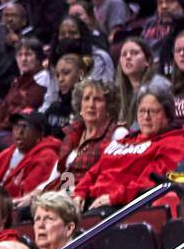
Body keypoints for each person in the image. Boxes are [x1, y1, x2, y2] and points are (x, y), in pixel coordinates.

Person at [75, 78, 184, 211]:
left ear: (168, 116)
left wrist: (113, 198)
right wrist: (79, 193)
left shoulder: (173, 143)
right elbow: (94, 171)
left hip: (122, 208)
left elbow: (150, 182)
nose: (146, 117)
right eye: (142, 111)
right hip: (92, 201)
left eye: (154, 111)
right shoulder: (125, 140)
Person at [0, 111, 63, 205]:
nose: (19, 132)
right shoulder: (4, 155)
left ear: (40, 133)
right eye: (16, 126)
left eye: (25, 126)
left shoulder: (47, 157)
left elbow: (26, 197)